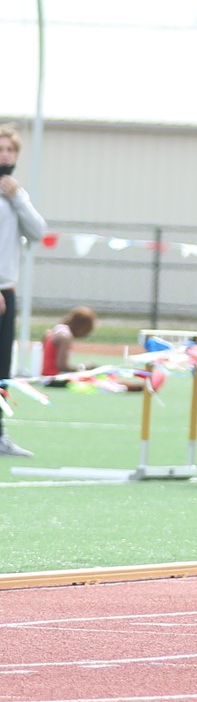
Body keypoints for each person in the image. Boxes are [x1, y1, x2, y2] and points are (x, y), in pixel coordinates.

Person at [0, 125, 47, 456]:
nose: (5, 156)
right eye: (0, 149)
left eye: (10, 151)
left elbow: (37, 232)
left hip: (7, 291)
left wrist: (17, 198)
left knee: (2, 367)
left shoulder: (16, 194)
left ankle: (0, 434)